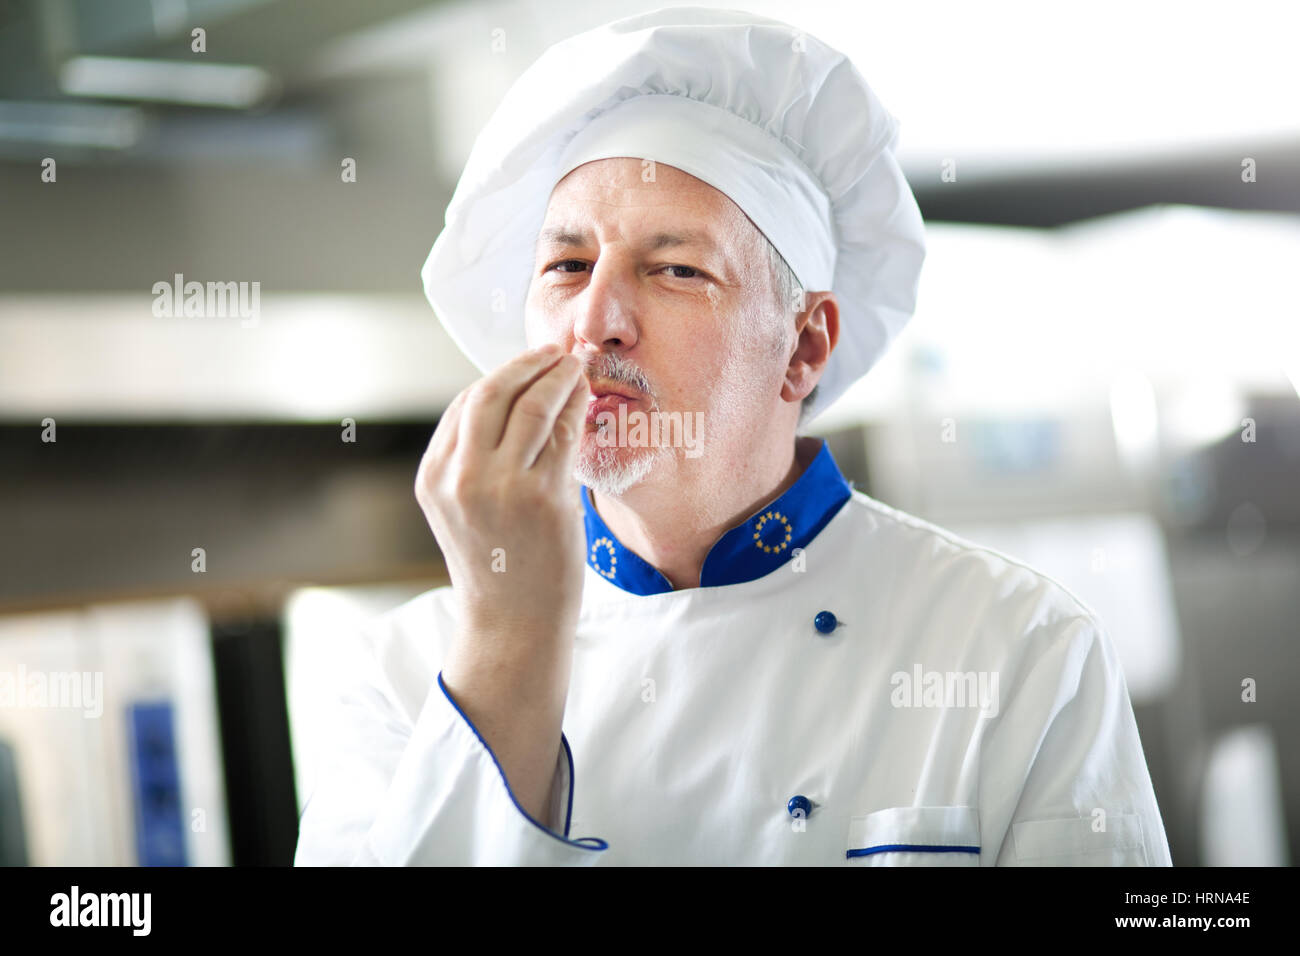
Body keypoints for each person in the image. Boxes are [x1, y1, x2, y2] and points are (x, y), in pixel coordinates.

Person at [294, 7, 1172, 865]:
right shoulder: (401, 679)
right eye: (566, 265)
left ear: (804, 345)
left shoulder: (1019, 652)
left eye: (675, 269)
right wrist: (507, 634)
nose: (594, 320)